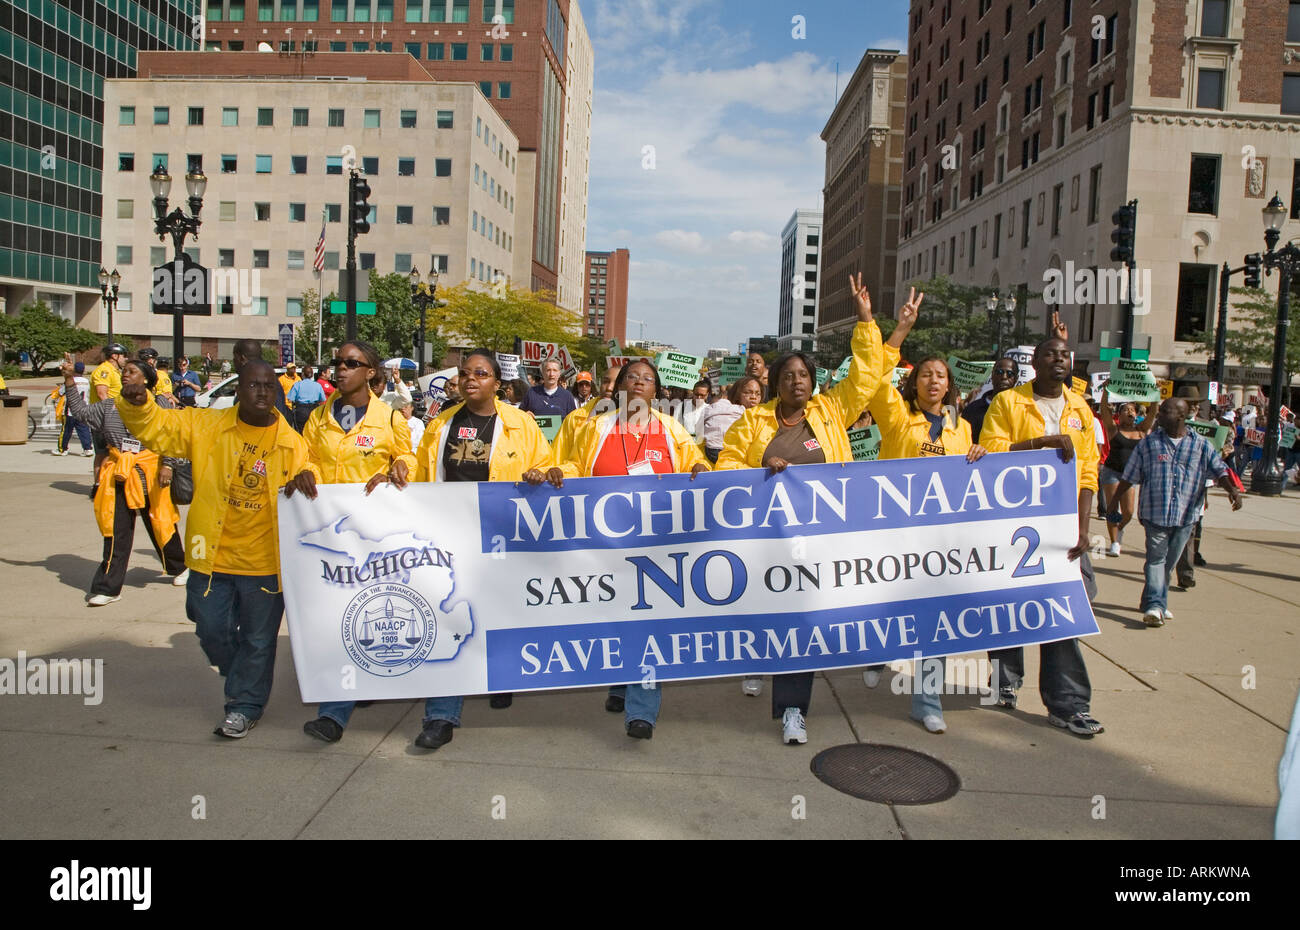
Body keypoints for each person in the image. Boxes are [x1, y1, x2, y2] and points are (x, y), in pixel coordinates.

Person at [716, 272, 884, 745]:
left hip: (816, 540)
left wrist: (866, 320)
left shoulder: (832, 411)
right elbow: (725, 462)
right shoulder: (753, 421)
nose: (796, 382)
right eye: (787, 375)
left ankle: (793, 709)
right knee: (761, 610)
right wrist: (758, 464)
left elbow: (868, 374)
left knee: (801, 620)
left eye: (804, 375)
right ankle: (755, 661)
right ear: (775, 382)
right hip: (764, 538)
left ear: (813, 382)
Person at [116, 358, 310, 739]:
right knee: (209, 628)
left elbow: (314, 486)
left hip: (265, 564)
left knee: (258, 641)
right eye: (253, 385)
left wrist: (308, 476)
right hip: (211, 557)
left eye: (269, 386)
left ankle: (244, 706)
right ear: (237, 390)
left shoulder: (293, 445)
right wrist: (138, 403)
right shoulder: (205, 426)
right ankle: (240, 674)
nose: (261, 392)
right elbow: (157, 428)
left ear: (278, 392)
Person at [394, 349, 556, 750]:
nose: (470, 380)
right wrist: (395, 470)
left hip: (502, 535)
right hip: (450, 536)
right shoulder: (441, 424)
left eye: (480, 374)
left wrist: (541, 473)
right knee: (451, 617)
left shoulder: (520, 424)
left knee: (499, 614)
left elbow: (553, 464)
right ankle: (441, 715)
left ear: (497, 383)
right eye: (465, 374)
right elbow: (419, 471)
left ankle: (500, 677)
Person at [550, 358, 711, 740]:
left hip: (656, 548)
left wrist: (702, 467)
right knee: (615, 619)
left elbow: (695, 460)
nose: (639, 383)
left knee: (650, 625)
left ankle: (642, 710)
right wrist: (560, 473)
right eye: (631, 377)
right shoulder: (595, 427)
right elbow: (575, 464)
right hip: (603, 546)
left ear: (657, 391)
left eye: (647, 379)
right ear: (619, 386)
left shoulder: (672, 428)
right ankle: (620, 683)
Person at [863, 287, 988, 734]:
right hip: (896, 532)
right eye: (926, 375)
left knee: (934, 618)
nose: (934, 380)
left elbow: (968, 479)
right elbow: (875, 379)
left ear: (949, 385)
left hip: (940, 540)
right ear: (914, 384)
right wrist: (901, 330)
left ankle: (926, 700)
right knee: (888, 607)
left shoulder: (963, 426)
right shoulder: (896, 417)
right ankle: (876, 652)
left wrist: (977, 454)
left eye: (941, 375)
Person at [286, 341, 418, 744]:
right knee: (334, 620)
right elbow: (305, 457)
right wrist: (304, 470)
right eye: (338, 363)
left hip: (374, 539)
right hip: (328, 536)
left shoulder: (390, 418)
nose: (340, 369)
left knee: (368, 616)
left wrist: (399, 466)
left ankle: (360, 683)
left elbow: (410, 458)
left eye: (351, 364)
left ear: (371, 373)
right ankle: (334, 713)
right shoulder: (318, 418)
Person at [980, 334, 1104, 738]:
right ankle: (1005, 681)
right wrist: (1040, 444)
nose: (1059, 359)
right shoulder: (1008, 402)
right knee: (1009, 607)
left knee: (1063, 614)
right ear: (1035, 361)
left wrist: (1083, 528)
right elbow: (990, 453)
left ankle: (1068, 704)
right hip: (1012, 525)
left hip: (1063, 527)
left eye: (1064, 354)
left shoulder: (1080, 409)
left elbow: (1087, 473)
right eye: (1050, 353)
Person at [62, 355, 188, 606]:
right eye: (125, 371)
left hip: (151, 472)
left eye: (132, 371)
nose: (125, 374)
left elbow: (173, 436)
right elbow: (80, 412)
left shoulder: (160, 403)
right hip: (119, 472)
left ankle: (179, 567)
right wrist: (68, 380)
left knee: (160, 523)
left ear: (146, 379)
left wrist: (168, 464)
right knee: (116, 529)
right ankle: (108, 587)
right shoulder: (110, 406)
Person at [1106, 397, 1243, 627]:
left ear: (1180, 416)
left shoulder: (1200, 445)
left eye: (1165, 412)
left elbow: (1219, 470)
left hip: (1186, 516)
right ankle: (1155, 606)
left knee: (1169, 563)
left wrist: (1233, 491)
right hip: (1154, 513)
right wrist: (1113, 502)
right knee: (1156, 559)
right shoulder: (1148, 444)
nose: (1159, 416)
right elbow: (1129, 476)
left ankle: (1154, 599)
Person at [1097, 396, 1153, 556]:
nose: (1129, 412)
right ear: (1119, 414)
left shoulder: (1141, 431)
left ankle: (1120, 528)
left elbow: (1152, 413)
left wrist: (1154, 398)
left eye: (1132, 410)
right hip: (1112, 472)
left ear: (1136, 414)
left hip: (1131, 475)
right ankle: (1114, 542)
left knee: (1128, 511)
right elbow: (1105, 411)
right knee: (1112, 508)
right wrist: (1106, 392)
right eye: (1125, 409)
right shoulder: (1114, 429)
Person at [552, 368, 618, 466]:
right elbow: (557, 459)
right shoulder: (573, 418)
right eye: (606, 381)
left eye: (616, 383)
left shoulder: (634, 423)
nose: (609, 387)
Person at [699, 376, 763, 464]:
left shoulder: (764, 417)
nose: (753, 397)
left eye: (758, 394)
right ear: (737, 395)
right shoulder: (740, 411)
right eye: (748, 393)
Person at [961, 356, 1018, 443]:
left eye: (1010, 373)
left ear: (1016, 379)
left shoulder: (1023, 408)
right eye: (999, 372)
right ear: (992, 376)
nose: (1004, 376)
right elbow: (963, 440)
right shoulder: (972, 409)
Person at [233, 339, 291, 422]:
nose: (262, 393)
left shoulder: (268, 381)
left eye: (234, 358)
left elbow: (277, 415)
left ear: (241, 358)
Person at [53, 361, 94, 456]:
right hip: (83, 409)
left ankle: (62, 449)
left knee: (66, 431)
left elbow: (61, 392)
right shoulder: (87, 382)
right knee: (84, 430)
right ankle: (88, 448)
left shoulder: (70, 380)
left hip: (70, 410)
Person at [286, 367, 327, 433]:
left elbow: (290, 399)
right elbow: (322, 399)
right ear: (312, 374)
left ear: (302, 374)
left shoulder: (297, 385)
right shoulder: (317, 385)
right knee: (313, 432)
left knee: (300, 433)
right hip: (314, 411)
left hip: (301, 411)